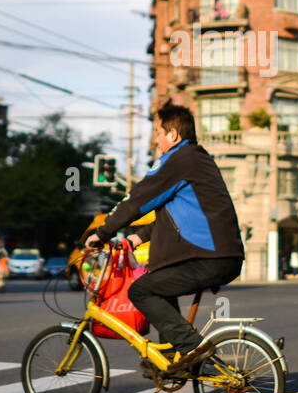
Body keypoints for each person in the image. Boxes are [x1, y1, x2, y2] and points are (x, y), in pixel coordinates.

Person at [86, 101, 244, 374]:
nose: (155, 140)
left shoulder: (179, 159)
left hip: (210, 257)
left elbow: (138, 200)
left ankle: (193, 347)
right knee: (158, 279)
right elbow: (170, 214)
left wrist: (102, 233)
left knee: (141, 290)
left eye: (158, 133)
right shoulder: (194, 158)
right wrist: (137, 238)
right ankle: (172, 359)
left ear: (173, 134)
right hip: (217, 255)